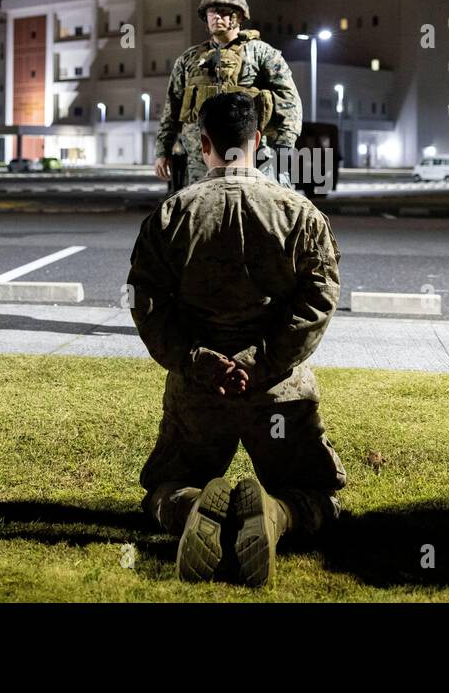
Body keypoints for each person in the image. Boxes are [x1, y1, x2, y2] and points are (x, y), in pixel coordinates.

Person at [129, 92, 345, 586]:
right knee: (318, 498)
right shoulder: (300, 214)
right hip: (277, 393)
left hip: (199, 393)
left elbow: (147, 305)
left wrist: (201, 361)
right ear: (259, 141)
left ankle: (188, 507)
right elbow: (317, 304)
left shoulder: (170, 216)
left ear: (204, 144)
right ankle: (276, 516)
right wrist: (258, 362)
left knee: (164, 487)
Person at [152, 0, 301, 188]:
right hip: (201, 163)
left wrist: (285, 146)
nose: (216, 17)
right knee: (203, 217)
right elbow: (172, 109)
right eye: (211, 11)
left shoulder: (262, 54)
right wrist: (162, 150)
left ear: (239, 16)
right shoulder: (189, 60)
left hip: (252, 161)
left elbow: (289, 102)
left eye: (223, 11)